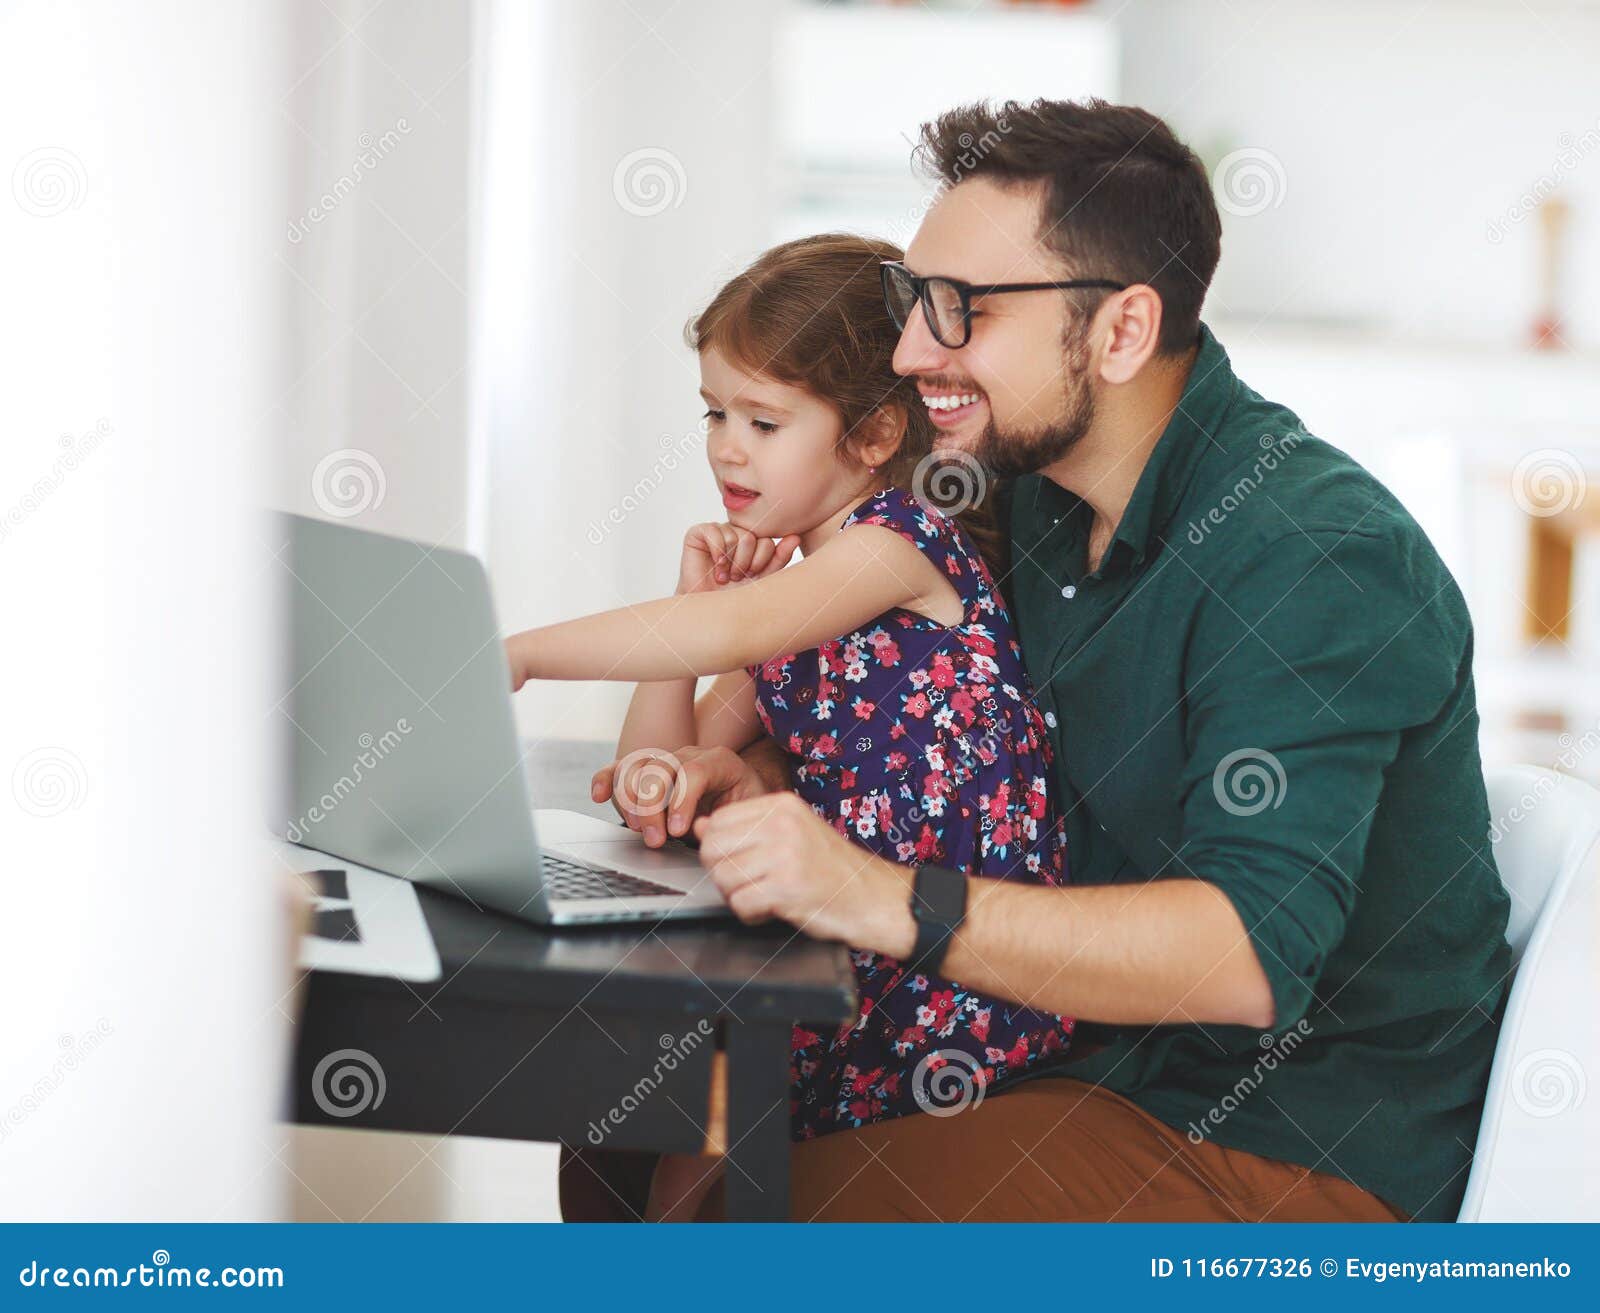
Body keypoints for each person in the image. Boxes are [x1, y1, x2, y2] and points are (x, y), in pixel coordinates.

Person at [576, 99, 1512, 1223]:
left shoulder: (1317, 555)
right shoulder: (1023, 500)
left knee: (741, 1218)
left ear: (1119, 332)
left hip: (1282, 1149)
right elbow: (913, 711)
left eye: (959, 310)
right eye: (909, 301)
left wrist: (881, 895)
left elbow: (1242, 956)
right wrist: (768, 776)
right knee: (620, 1137)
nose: (910, 349)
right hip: (1076, 1062)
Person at [505, 233, 1075, 1220]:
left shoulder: (897, 545)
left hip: (950, 996)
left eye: (764, 421)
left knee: (695, 1195)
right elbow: (655, 769)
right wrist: (684, 643)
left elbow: (733, 626)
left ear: (867, 438)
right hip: (837, 978)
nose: (727, 445)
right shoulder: (791, 595)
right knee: (656, 1173)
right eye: (715, 413)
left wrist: (517, 651)